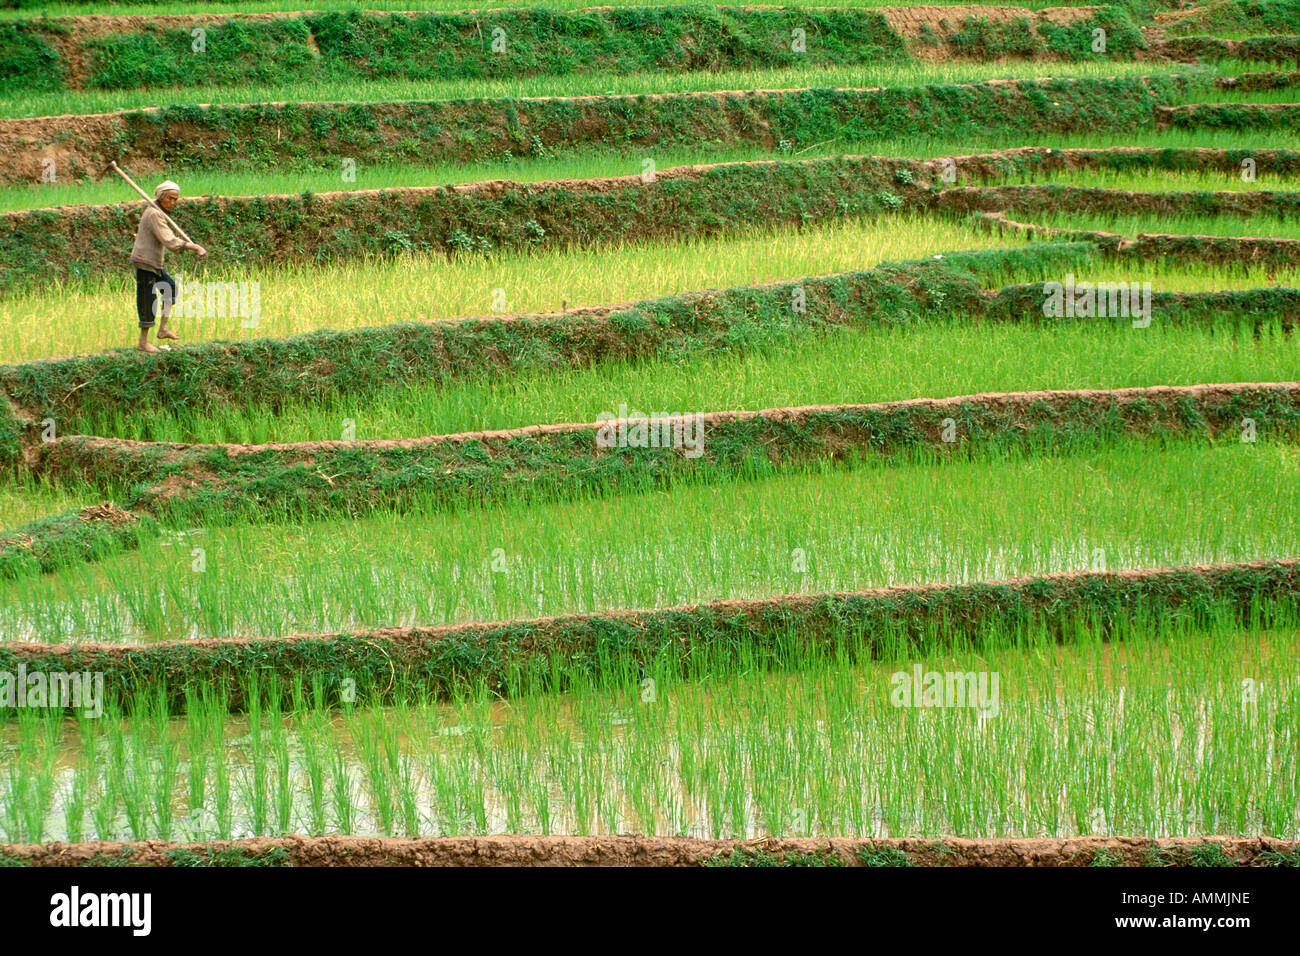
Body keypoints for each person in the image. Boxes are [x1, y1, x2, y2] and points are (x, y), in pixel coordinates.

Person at [130, 180, 207, 353]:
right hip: (145, 261)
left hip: (154, 263)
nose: (172, 203)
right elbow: (169, 240)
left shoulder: (159, 213)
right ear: (160, 197)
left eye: (175, 200)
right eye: (170, 199)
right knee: (147, 299)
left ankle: (163, 329)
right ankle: (143, 342)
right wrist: (193, 246)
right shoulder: (154, 214)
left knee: (170, 288)